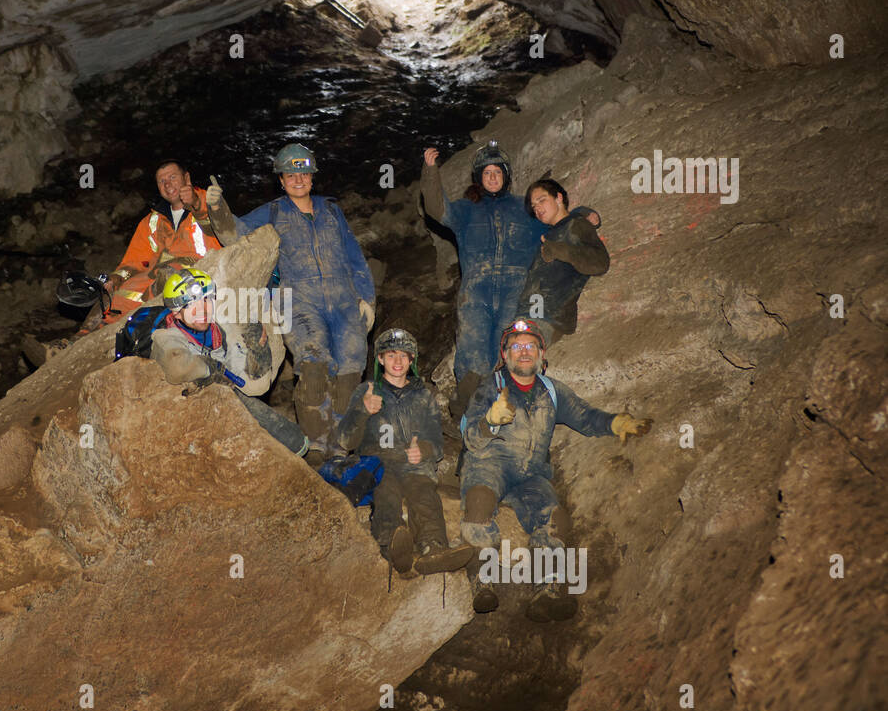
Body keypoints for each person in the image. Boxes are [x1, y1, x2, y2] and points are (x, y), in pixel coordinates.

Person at [459, 318, 651, 621]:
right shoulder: (489, 388)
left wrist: (614, 423)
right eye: (516, 346)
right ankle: (483, 581)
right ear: (505, 355)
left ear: (541, 354)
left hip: (531, 474)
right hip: (489, 464)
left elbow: (585, 417)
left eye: (531, 346)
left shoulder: (552, 391)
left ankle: (547, 591)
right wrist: (490, 421)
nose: (524, 352)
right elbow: (469, 437)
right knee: (480, 501)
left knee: (556, 517)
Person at [207, 143, 374, 462]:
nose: (298, 179)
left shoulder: (332, 210)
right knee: (313, 370)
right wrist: (218, 209)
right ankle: (315, 448)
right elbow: (236, 236)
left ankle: (343, 448)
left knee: (350, 373)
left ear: (312, 176)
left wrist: (368, 298)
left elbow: (355, 257)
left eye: (304, 173)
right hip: (296, 301)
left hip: (344, 302)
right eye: (290, 174)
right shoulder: (270, 213)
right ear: (280, 180)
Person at [420, 141, 600, 426]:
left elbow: (556, 218)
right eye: (487, 172)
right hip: (475, 294)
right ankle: (467, 420)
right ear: (479, 177)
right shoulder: (466, 210)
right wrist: (431, 173)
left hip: (515, 294)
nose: (492, 177)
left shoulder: (523, 209)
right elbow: (436, 209)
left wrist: (584, 213)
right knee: (471, 354)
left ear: (506, 176)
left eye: (497, 172)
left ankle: (505, 421)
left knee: (505, 353)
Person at [337, 328, 476, 575]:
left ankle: (433, 549)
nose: (398, 361)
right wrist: (361, 410)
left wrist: (423, 449)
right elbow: (346, 439)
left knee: (423, 493)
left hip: (414, 466)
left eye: (404, 355)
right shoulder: (366, 391)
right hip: (378, 463)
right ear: (380, 359)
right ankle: (393, 547)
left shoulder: (424, 397)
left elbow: (435, 441)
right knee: (386, 493)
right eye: (391, 355)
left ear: (412, 360)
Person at [150, 267, 309, 457]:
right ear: (176, 313)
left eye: (206, 300)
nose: (202, 310)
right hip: (187, 415)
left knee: (248, 399)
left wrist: (256, 353)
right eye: (191, 305)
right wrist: (211, 367)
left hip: (227, 393)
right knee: (227, 396)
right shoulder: (165, 337)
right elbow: (178, 367)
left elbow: (255, 387)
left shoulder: (222, 327)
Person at [78, 160, 224, 333]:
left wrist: (196, 204)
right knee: (113, 290)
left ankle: (124, 329)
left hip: (196, 277)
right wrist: (117, 278)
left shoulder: (209, 202)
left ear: (187, 178)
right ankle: (78, 338)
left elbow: (221, 230)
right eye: (162, 181)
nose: (167, 184)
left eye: (172, 177)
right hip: (156, 278)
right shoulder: (152, 221)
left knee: (167, 272)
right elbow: (135, 261)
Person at [516, 178, 610, 346]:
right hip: (528, 314)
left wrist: (562, 251)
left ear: (559, 198)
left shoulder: (575, 224)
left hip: (549, 316)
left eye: (541, 200)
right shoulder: (546, 234)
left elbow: (601, 263)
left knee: (520, 352)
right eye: (534, 206)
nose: (537, 208)